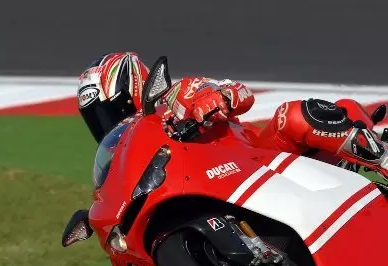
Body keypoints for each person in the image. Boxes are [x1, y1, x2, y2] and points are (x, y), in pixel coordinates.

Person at [77, 52, 388, 179]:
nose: (106, 124)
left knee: (290, 116)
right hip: (210, 193)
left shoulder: (179, 94)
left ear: (132, 87)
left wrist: (218, 99)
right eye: (96, 119)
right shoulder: (122, 156)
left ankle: (382, 156)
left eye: (109, 111)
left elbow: (242, 93)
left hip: (260, 162)